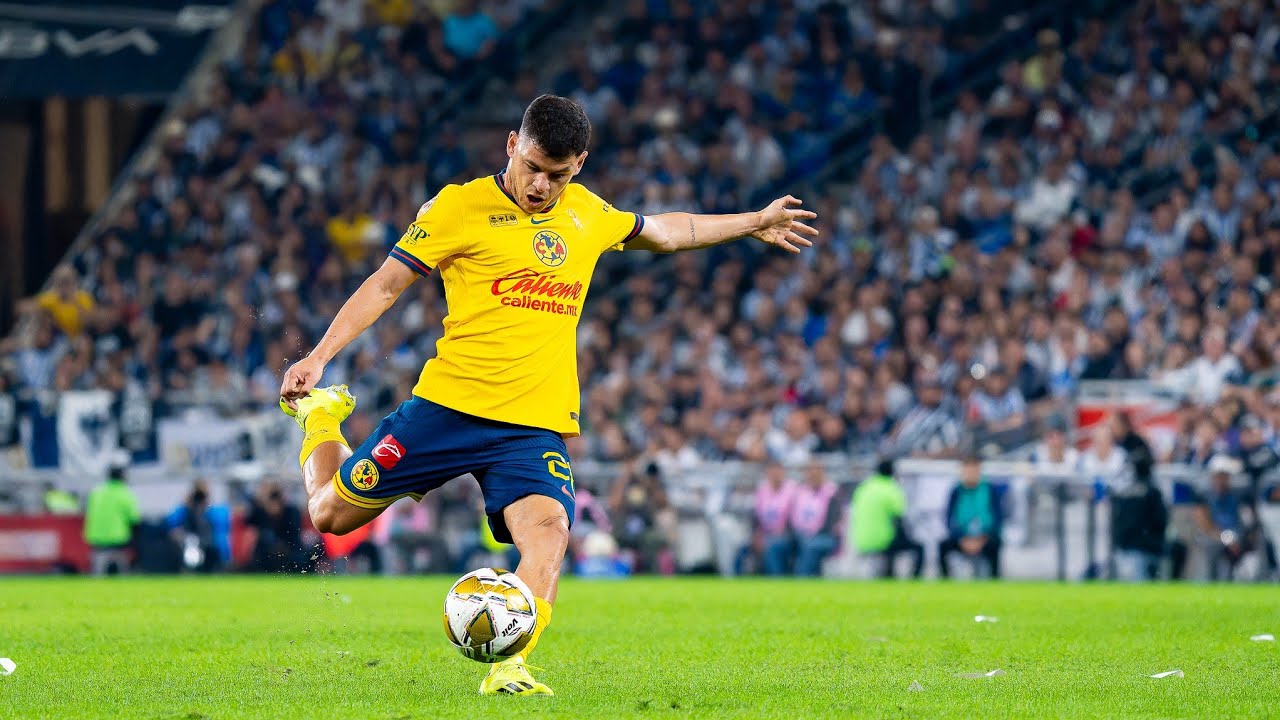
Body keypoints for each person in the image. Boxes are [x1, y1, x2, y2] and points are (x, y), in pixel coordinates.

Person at [276, 95, 817, 696]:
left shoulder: (586, 214)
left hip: (530, 427)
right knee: (329, 515)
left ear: (579, 164)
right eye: (532, 166)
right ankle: (322, 420)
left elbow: (666, 230)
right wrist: (319, 358)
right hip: (447, 410)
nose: (540, 185)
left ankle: (511, 667)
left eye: (557, 174)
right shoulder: (458, 207)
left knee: (550, 532)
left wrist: (755, 221)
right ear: (512, 144)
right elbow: (385, 286)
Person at [849, 458, 923, 578]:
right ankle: (912, 580)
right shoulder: (892, 489)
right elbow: (899, 518)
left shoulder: (863, 487)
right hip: (883, 540)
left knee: (893, 543)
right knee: (919, 548)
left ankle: (887, 574)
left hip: (860, 539)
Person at [938, 455, 1002, 578]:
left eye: (974, 469)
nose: (970, 473)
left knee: (996, 544)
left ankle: (994, 581)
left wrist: (982, 538)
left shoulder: (989, 489)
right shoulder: (956, 491)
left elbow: (997, 518)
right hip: (962, 538)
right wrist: (962, 538)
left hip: (984, 538)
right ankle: (946, 581)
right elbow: (949, 518)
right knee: (943, 546)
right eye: (967, 469)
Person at [1109, 454, 1168, 581]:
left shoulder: (1126, 492)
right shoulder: (1152, 492)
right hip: (1144, 546)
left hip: (1131, 546)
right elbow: (1161, 520)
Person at [83, 465, 140, 575]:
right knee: (121, 564)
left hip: (95, 537)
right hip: (117, 537)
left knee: (99, 566)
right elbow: (134, 518)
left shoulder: (96, 492)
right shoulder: (124, 493)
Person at [789, 463, 840, 576]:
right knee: (777, 545)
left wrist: (812, 533)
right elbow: (793, 516)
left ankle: (803, 579)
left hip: (825, 536)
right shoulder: (800, 492)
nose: (813, 476)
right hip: (801, 535)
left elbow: (832, 521)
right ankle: (777, 579)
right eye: (810, 473)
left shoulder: (831, 493)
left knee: (811, 546)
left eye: (816, 473)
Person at [754, 461, 797, 576]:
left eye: (778, 471)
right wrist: (758, 535)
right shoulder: (762, 490)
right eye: (772, 471)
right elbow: (757, 517)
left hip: (788, 534)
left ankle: (776, 579)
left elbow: (795, 517)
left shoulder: (792, 490)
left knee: (772, 546)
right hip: (766, 533)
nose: (775, 474)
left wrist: (782, 531)